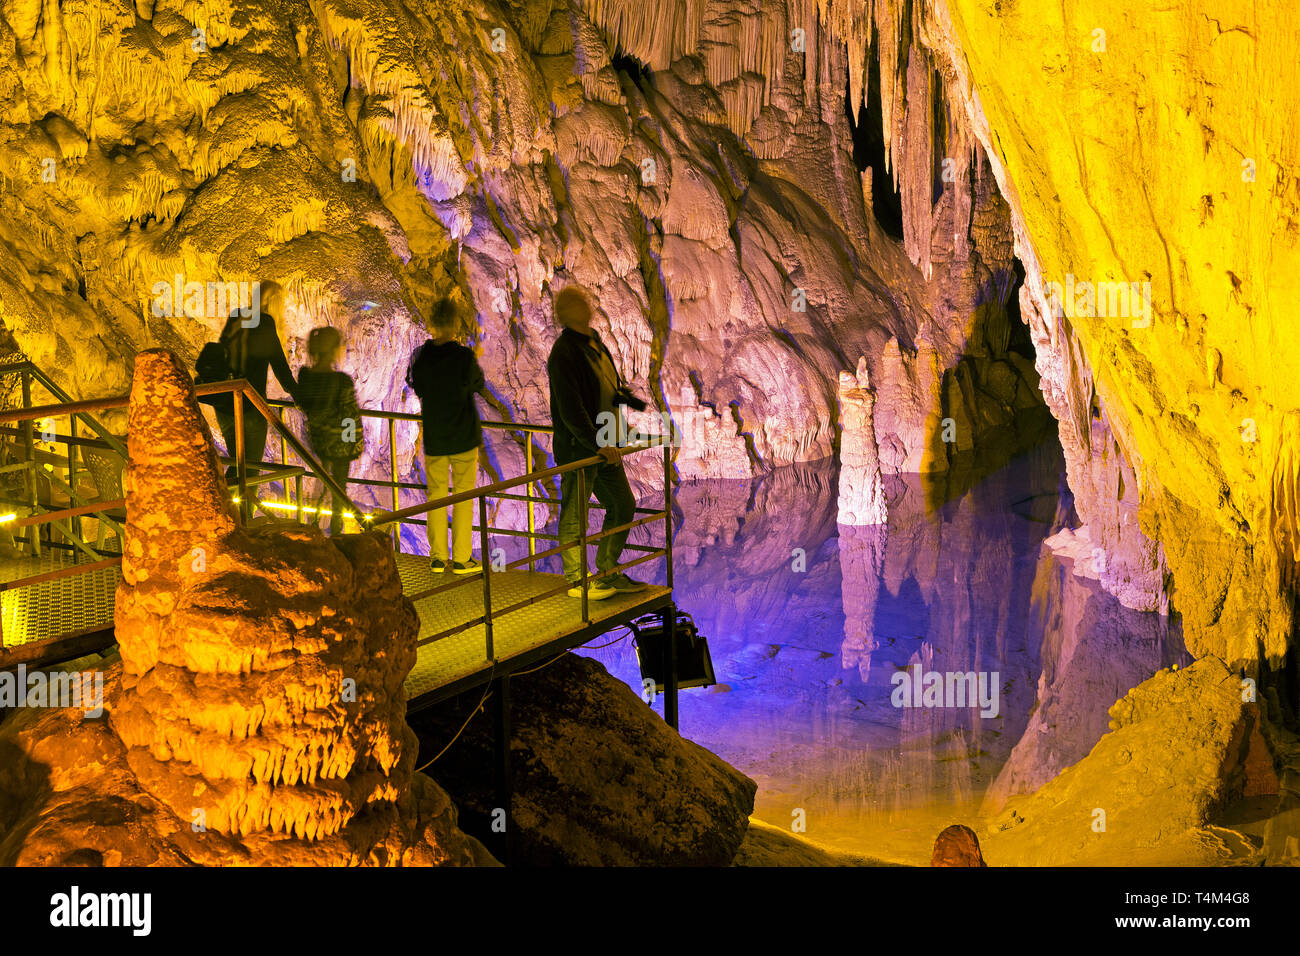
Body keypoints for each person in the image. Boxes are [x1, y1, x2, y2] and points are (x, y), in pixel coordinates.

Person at [547, 285, 646, 599]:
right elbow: (570, 407)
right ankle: (578, 580)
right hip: (583, 449)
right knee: (575, 514)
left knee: (622, 504)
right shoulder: (564, 353)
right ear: (567, 313)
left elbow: (605, 384)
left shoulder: (594, 342)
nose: (588, 307)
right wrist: (595, 442)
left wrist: (625, 406)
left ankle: (607, 569)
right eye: (581, 304)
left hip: (607, 444)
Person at [406, 298, 484, 573]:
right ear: (454, 324)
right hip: (463, 436)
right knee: (463, 497)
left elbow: (416, 386)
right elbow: (478, 383)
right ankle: (462, 558)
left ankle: (438, 557)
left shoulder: (422, 357)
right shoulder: (463, 357)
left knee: (437, 497)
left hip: (436, 438)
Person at [208, 280, 298, 481]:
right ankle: (239, 510)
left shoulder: (237, 316)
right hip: (249, 405)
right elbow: (281, 369)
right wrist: (300, 396)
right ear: (274, 302)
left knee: (238, 463)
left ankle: (225, 505)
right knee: (251, 470)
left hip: (225, 404)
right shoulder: (265, 322)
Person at [297, 326, 363, 536]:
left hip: (318, 440)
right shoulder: (341, 381)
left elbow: (306, 406)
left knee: (321, 484)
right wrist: (354, 445)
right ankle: (336, 532)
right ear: (334, 349)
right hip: (340, 444)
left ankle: (313, 526)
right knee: (339, 491)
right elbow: (350, 416)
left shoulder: (306, 377)